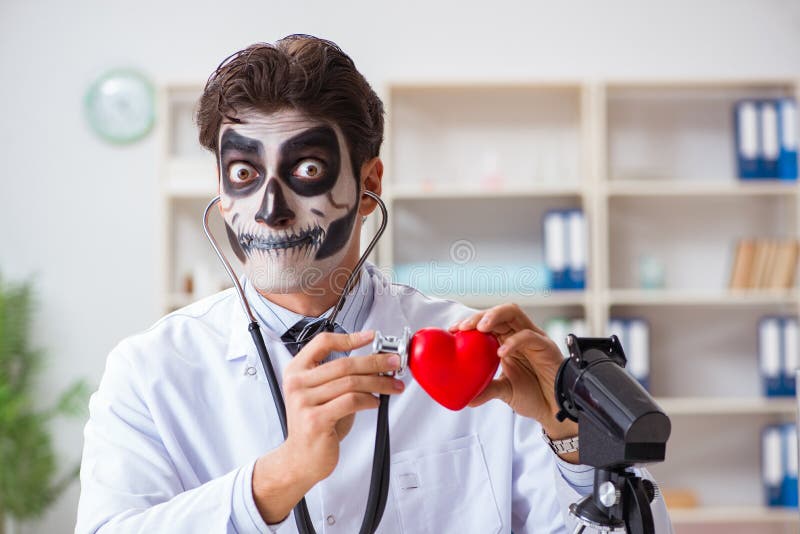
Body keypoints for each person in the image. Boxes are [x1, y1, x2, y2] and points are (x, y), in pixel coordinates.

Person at [75, 34, 673, 533]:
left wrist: (573, 439)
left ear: (370, 184)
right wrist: (282, 475)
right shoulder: (149, 373)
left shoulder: (482, 358)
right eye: (244, 172)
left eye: (307, 170)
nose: (269, 209)